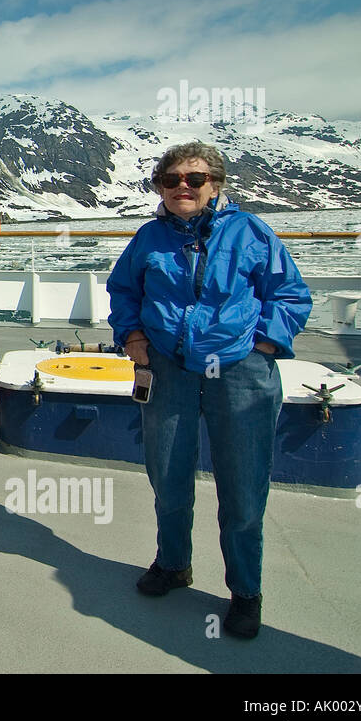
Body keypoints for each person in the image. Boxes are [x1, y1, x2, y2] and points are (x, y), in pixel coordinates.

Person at [106, 141, 311, 639]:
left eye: (194, 179)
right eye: (171, 179)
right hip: (169, 368)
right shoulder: (149, 238)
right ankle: (173, 564)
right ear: (159, 187)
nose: (182, 187)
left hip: (239, 371)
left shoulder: (250, 232)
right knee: (168, 474)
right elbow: (123, 290)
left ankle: (245, 592)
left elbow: (289, 294)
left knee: (242, 487)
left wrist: (263, 342)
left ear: (215, 185)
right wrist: (131, 335)